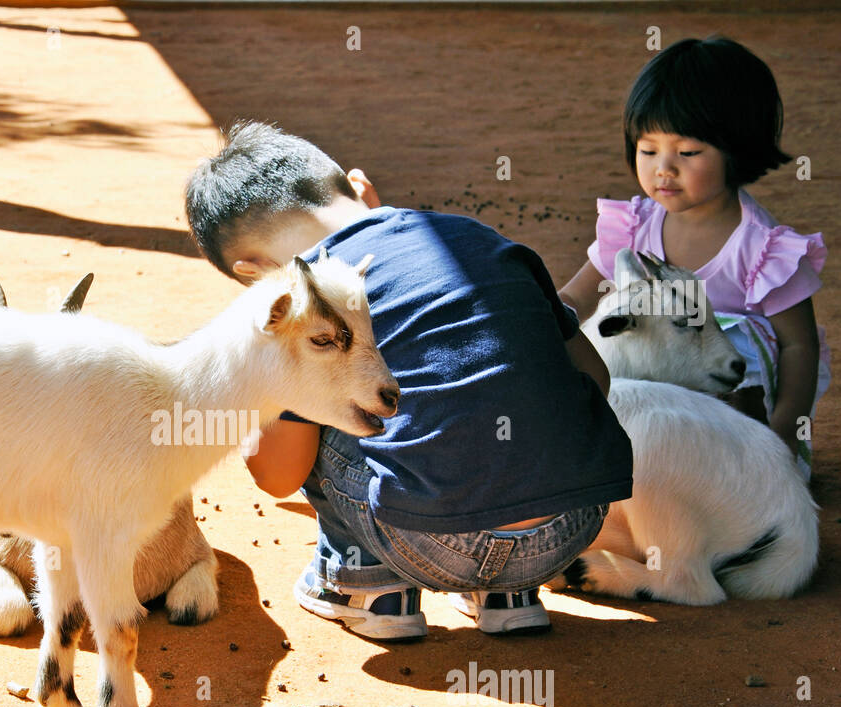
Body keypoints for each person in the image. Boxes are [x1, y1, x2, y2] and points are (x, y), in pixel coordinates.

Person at [184, 121, 633, 640]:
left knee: (317, 395)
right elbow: (593, 377)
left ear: (253, 271)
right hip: (570, 525)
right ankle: (508, 595)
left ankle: (368, 585)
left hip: (428, 541)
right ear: (361, 188)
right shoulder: (477, 241)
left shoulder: (306, 304)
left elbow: (278, 477)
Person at [557, 36, 828, 478]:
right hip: (652, 394)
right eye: (648, 150)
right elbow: (574, 299)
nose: (663, 167)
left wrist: (785, 431)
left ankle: (740, 477)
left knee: (738, 350)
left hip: (733, 403)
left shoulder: (763, 250)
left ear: (736, 151)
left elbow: (799, 346)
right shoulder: (631, 228)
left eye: (686, 152)